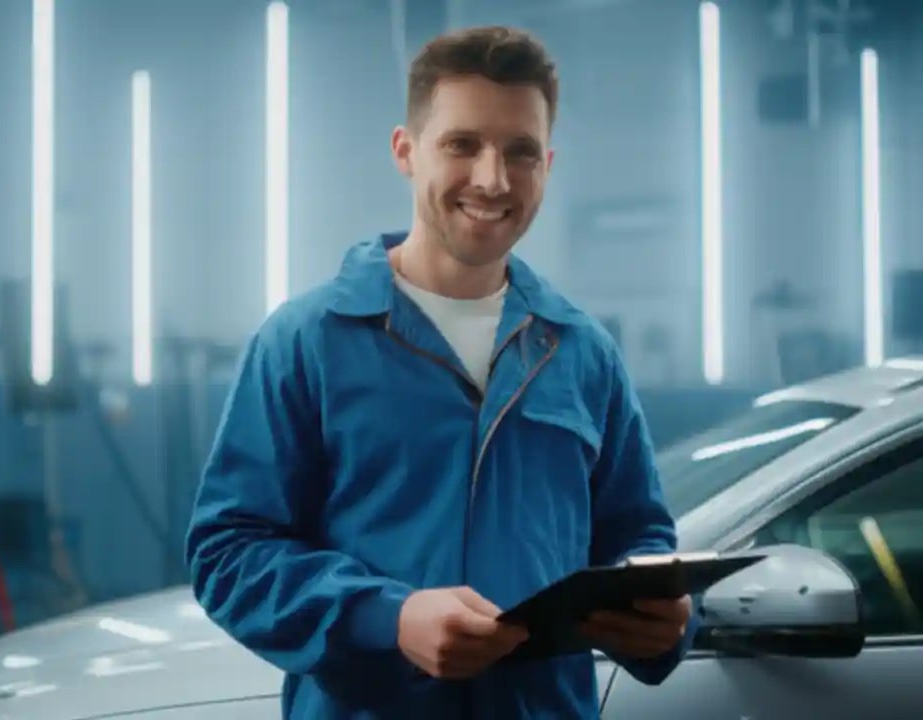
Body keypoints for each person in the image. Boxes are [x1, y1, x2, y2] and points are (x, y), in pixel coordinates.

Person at [185, 24, 695, 719]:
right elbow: (229, 552)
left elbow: (636, 536)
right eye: (463, 144)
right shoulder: (307, 343)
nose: (493, 178)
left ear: (547, 163)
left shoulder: (580, 352)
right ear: (406, 150)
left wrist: (667, 625)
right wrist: (387, 618)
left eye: (520, 152)